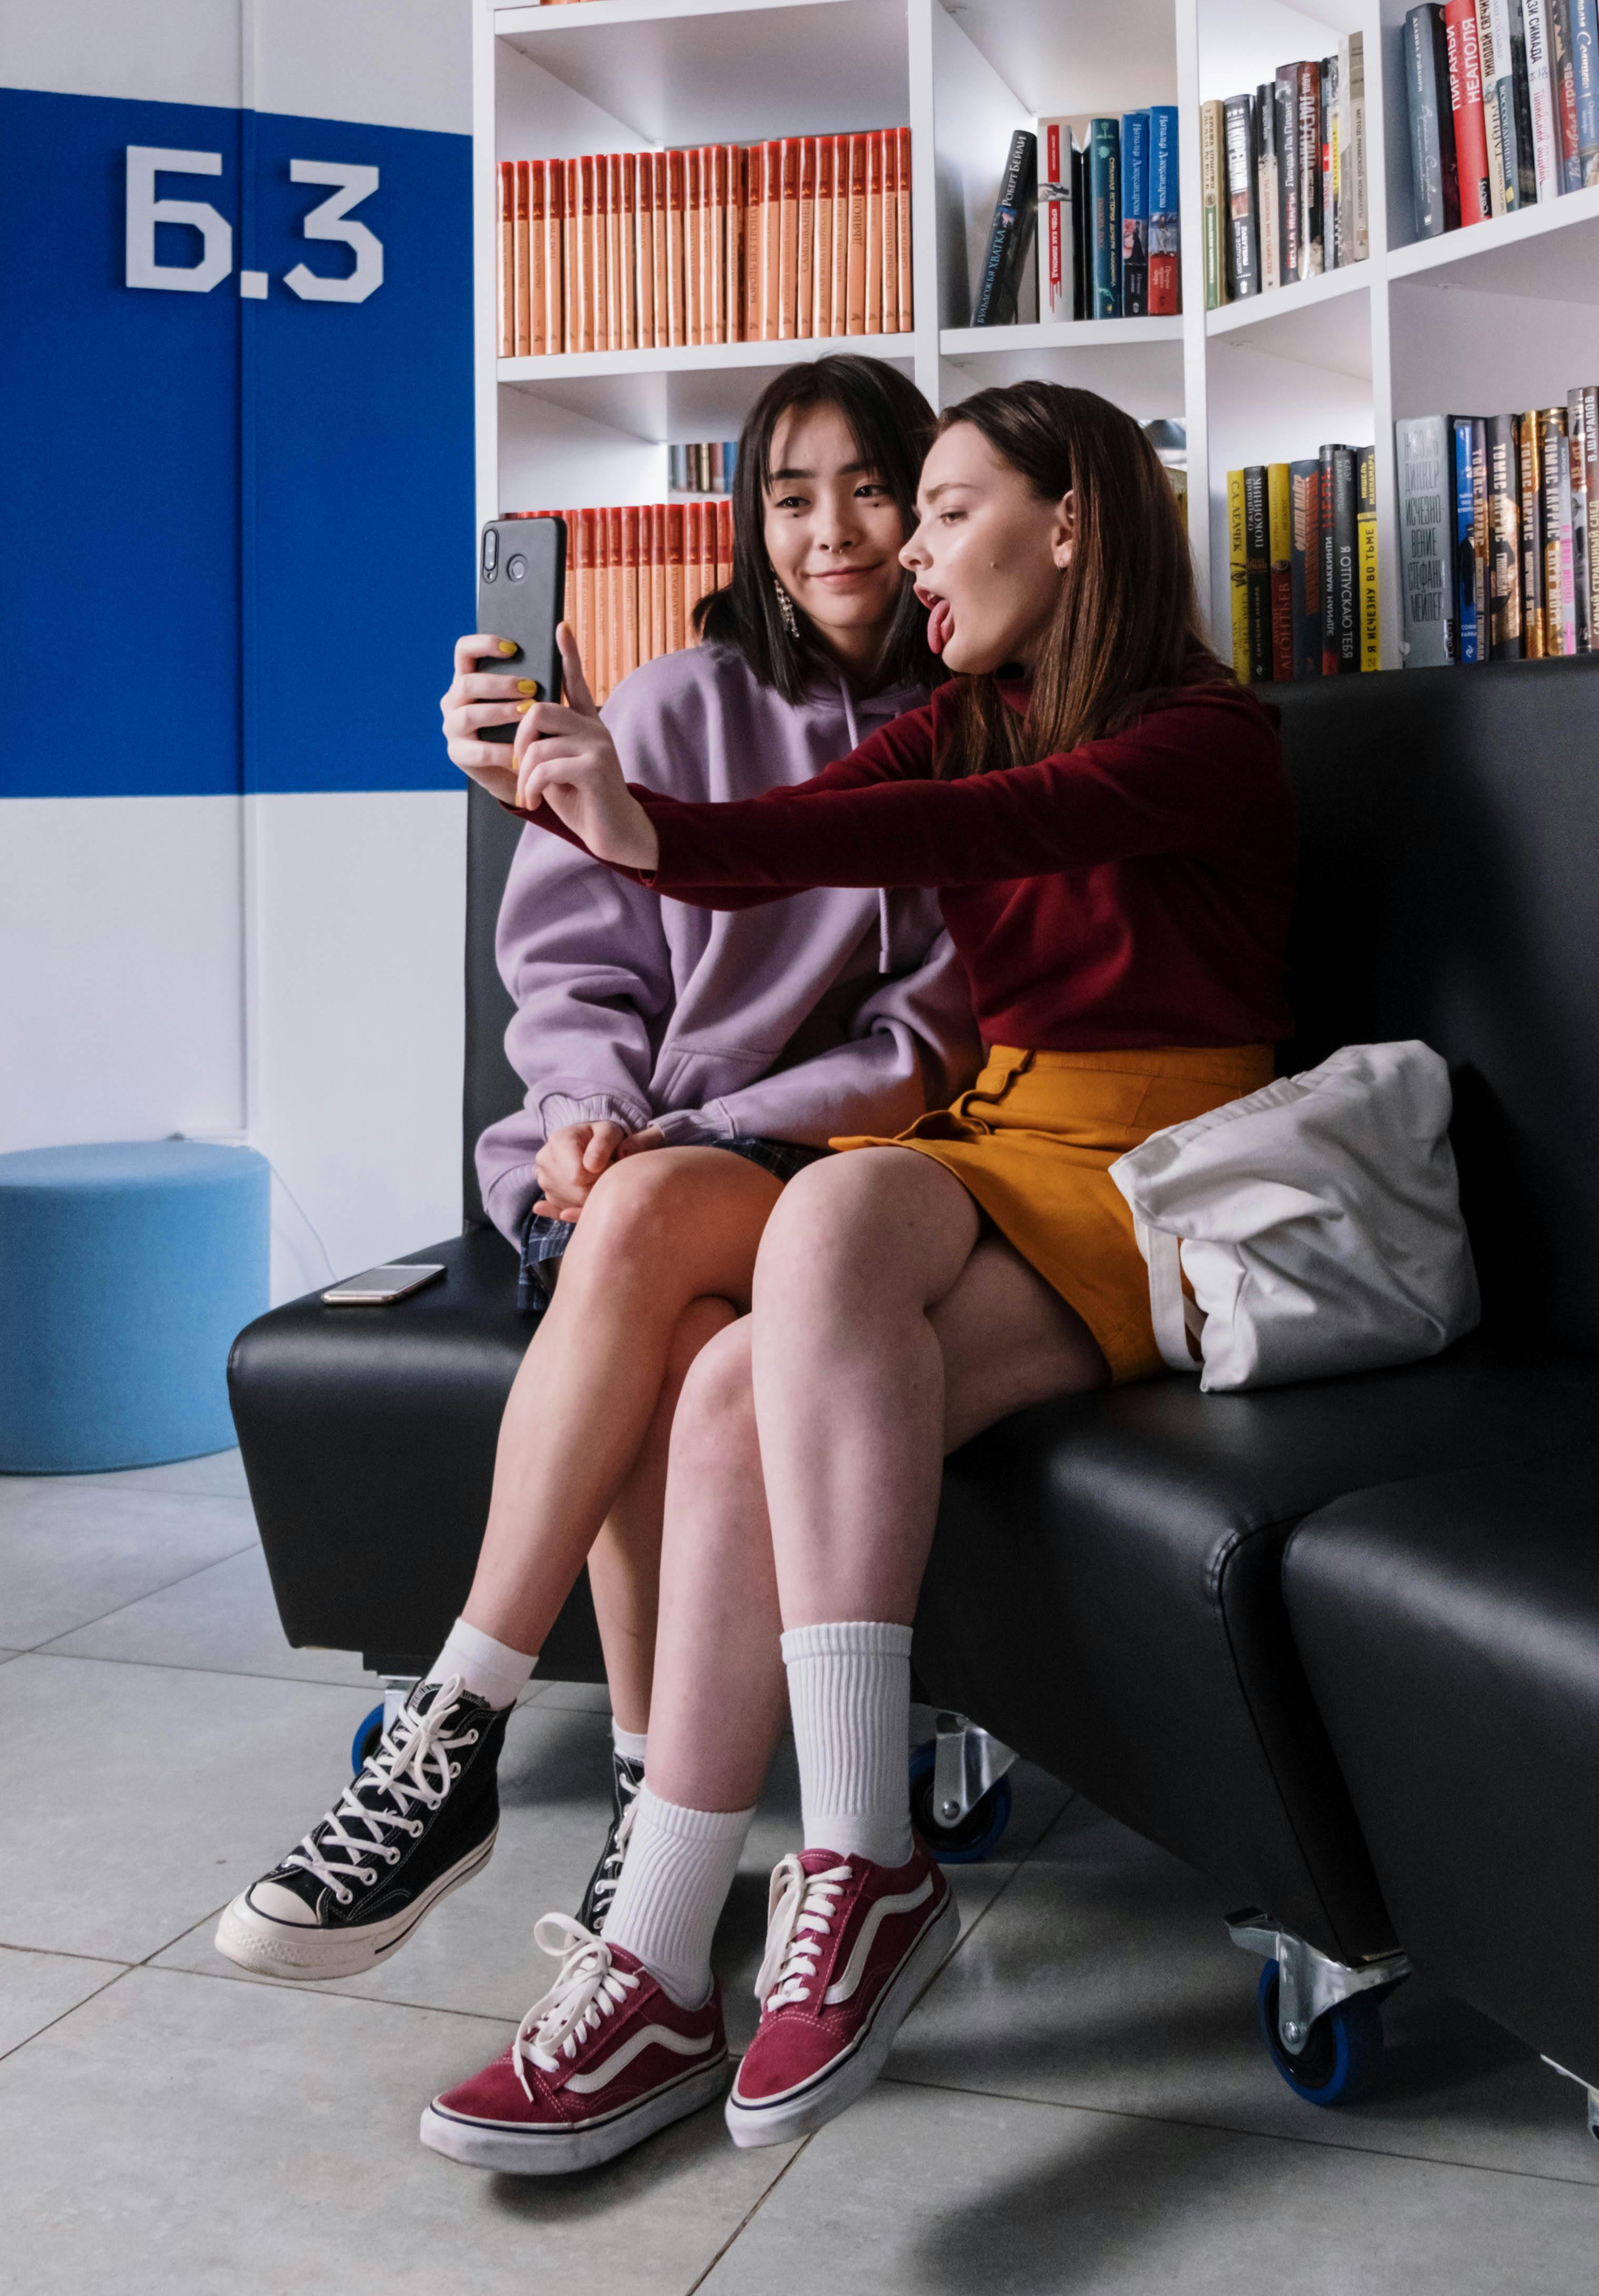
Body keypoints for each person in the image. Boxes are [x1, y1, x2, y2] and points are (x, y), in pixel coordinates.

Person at [418, 379, 1298, 2174]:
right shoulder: (961, 715)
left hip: (1156, 1167)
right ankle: (659, 1956)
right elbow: (768, 833)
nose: (897, 548)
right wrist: (574, 787)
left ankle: (856, 1853)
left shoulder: (1199, 733)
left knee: (802, 1248)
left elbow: (960, 836)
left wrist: (647, 820)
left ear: (1073, 529)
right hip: (1000, 1127)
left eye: (943, 507)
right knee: (729, 1376)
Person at [216, 357, 976, 1986]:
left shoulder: (979, 718)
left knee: (655, 1226)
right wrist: (582, 1104)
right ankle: (644, 1807)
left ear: (932, 502)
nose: (831, 530)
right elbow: (574, 976)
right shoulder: (675, 701)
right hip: (626, 1151)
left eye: (869, 486)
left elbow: (936, 1028)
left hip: (834, 1157)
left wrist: (714, 1123)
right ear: (748, 522)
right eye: (789, 497)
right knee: (687, 1328)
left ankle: (457, 1725)